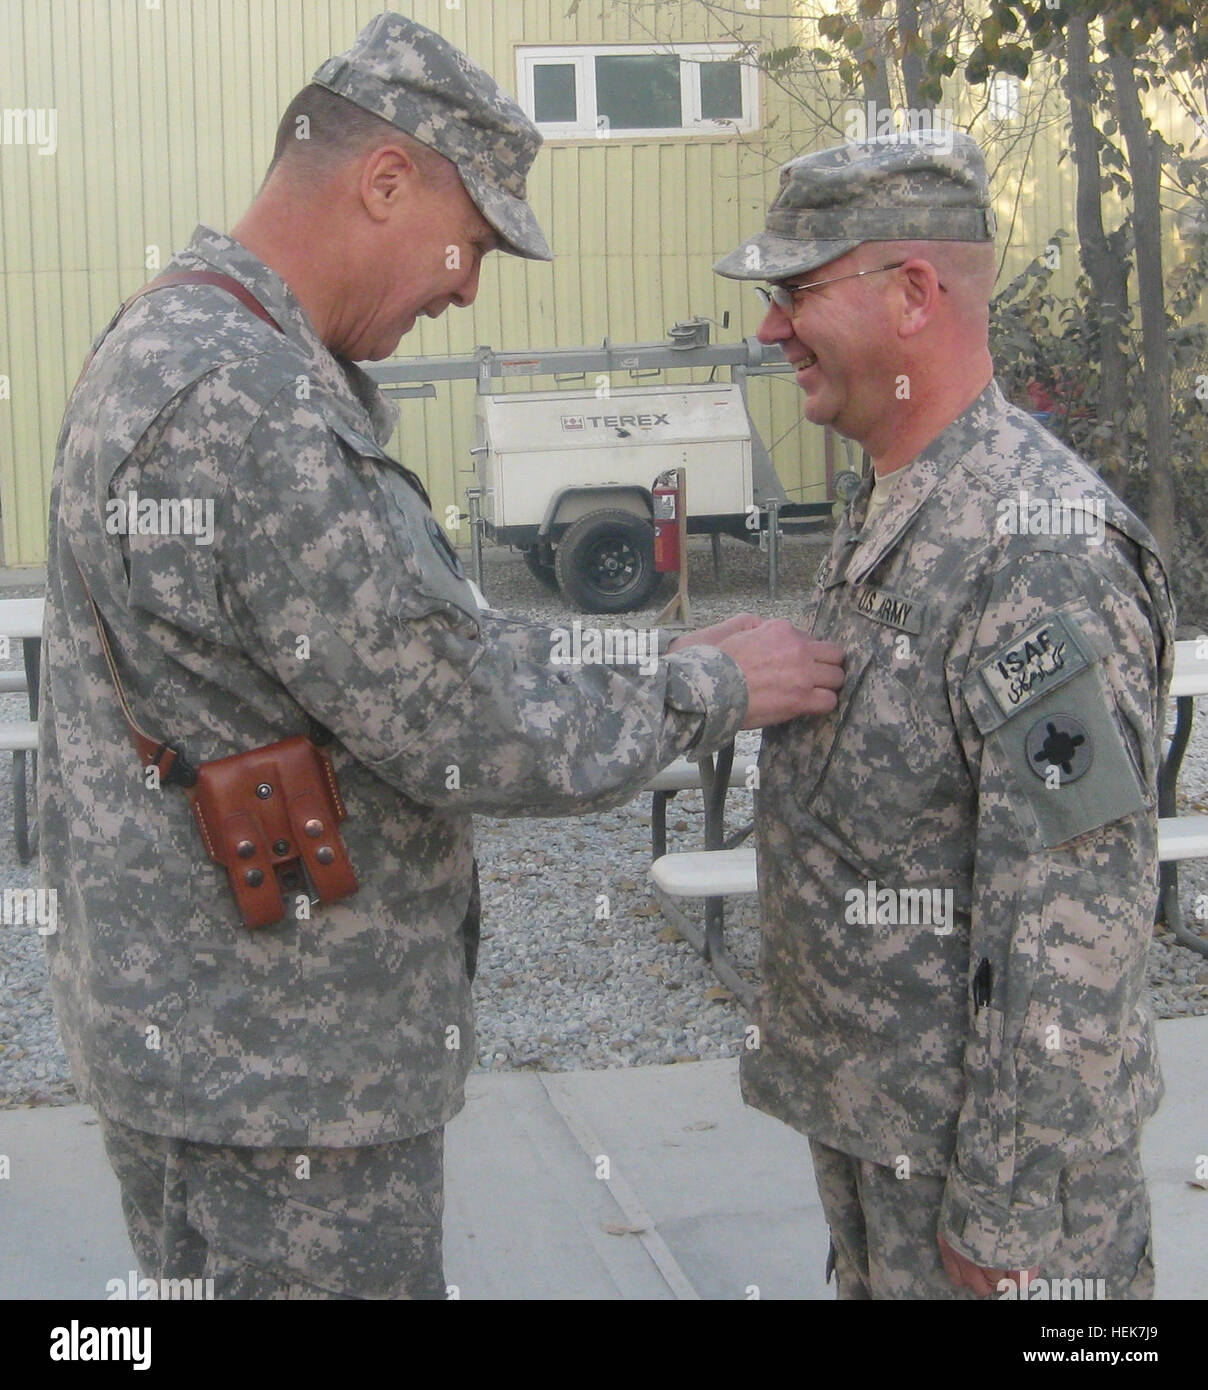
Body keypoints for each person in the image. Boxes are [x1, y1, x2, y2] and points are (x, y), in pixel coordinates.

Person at [39, 12, 845, 1300]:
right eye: (470, 242)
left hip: (225, 1053)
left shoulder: (188, 345)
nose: (468, 285)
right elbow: (461, 713)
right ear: (382, 180)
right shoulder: (247, 404)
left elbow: (406, 646)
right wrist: (706, 682)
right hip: (280, 1084)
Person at [714, 131, 1174, 1299]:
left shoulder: (1037, 549)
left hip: (988, 1202)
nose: (769, 329)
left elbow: (1074, 915)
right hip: (888, 1149)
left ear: (912, 292)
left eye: (794, 291)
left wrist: (1008, 1212)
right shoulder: (897, 503)